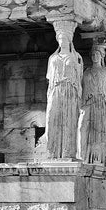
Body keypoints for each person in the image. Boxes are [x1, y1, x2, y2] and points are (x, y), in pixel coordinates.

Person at [45, 20, 82, 159]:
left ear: (69, 40)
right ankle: (53, 151)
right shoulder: (53, 57)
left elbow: (79, 76)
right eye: (60, 40)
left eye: (64, 39)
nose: (62, 42)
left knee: (69, 119)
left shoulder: (76, 57)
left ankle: (68, 152)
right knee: (52, 118)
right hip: (55, 90)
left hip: (70, 91)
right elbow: (49, 78)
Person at [81, 39, 106, 164]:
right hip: (90, 102)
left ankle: (99, 158)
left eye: (97, 54)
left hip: (101, 103)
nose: (94, 56)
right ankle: (88, 157)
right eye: (92, 54)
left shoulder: (105, 71)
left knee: (100, 130)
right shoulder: (86, 72)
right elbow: (83, 88)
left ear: (101, 56)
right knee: (88, 129)